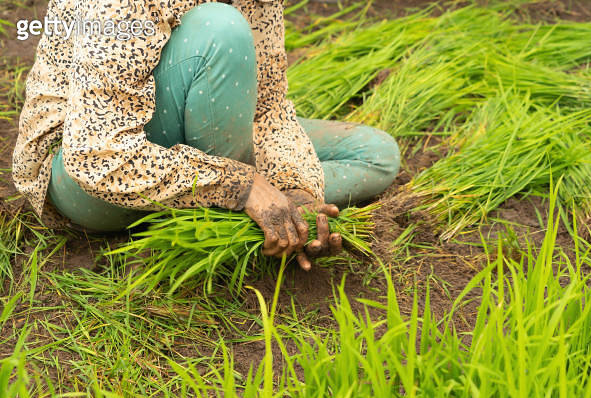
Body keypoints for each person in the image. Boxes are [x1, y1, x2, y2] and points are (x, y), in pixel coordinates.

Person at [13, 0, 401, 271]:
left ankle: (266, 208)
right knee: (221, 28)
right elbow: (96, 156)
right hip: (82, 176)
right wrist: (243, 186)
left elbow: (267, 111)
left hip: (184, 126)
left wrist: (296, 189)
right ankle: (226, 213)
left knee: (375, 154)